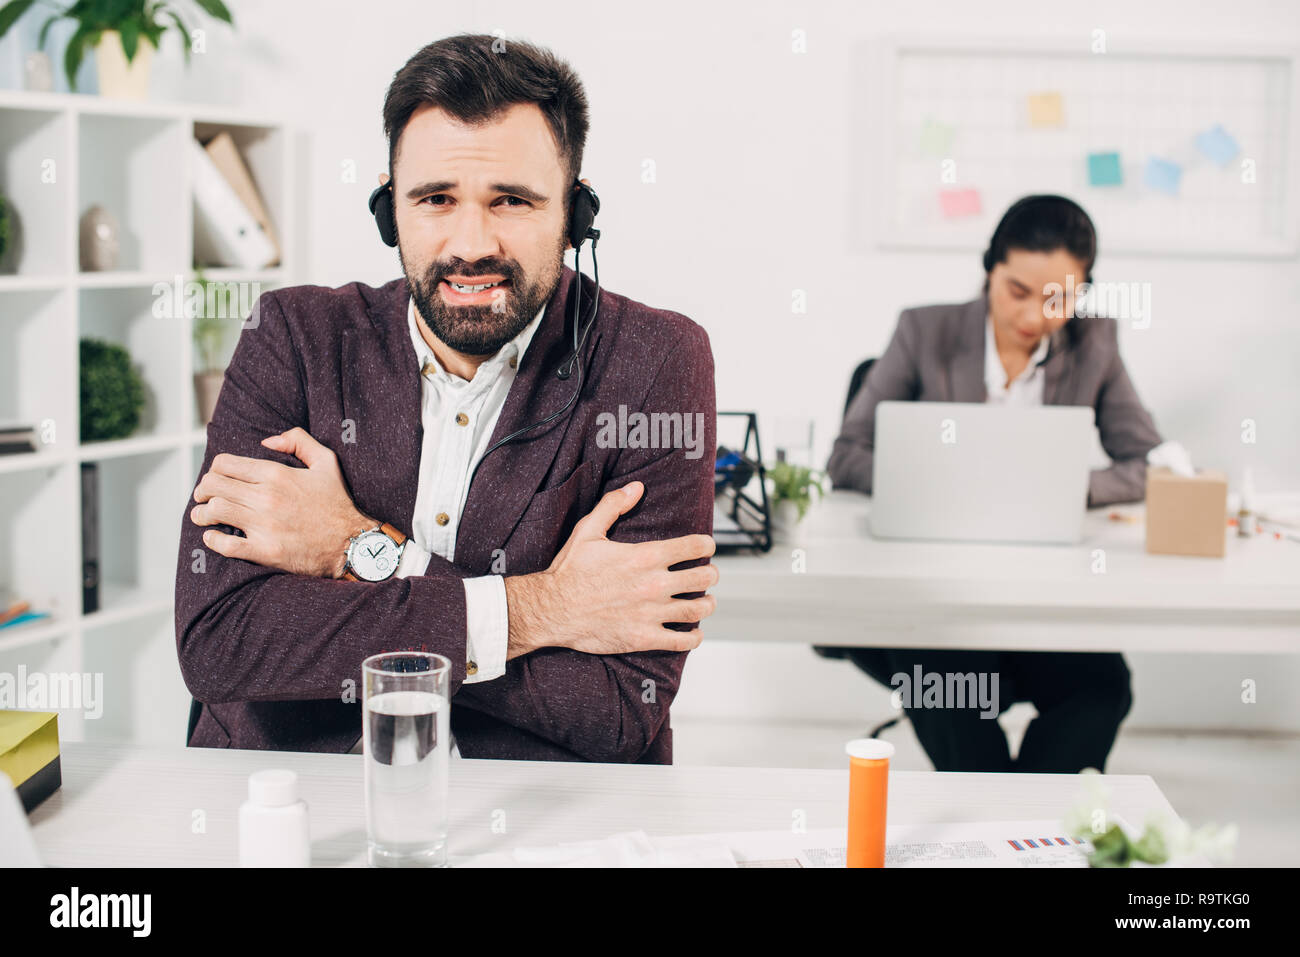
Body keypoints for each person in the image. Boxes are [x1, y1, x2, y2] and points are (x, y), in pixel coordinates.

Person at [175, 34, 718, 763]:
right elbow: (225, 643)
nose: (471, 243)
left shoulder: (654, 362)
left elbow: (621, 707)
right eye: (435, 199)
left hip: (539, 818)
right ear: (387, 208)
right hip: (295, 794)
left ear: (575, 213)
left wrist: (357, 552)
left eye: (512, 201)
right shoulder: (291, 338)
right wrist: (546, 609)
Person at [825, 195, 1159, 772]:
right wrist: (932, 481)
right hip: (935, 598)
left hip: (1040, 595)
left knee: (1103, 687)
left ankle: (1029, 833)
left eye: (1058, 297)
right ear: (990, 270)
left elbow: (1150, 462)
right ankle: (993, 829)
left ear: (1083, 290)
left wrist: (1063, 486)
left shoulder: (1095, 343)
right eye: (1017, 292)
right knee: (945, 685)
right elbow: (846, 454)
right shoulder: (924, 330)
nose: (1033, 316)